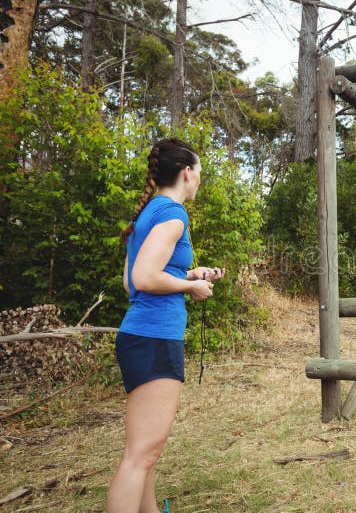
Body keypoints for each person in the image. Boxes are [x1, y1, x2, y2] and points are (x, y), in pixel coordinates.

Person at [108, 138, 226, 513]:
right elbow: (144, 278)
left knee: (146, 452)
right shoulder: (174, 215)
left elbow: (133, 282)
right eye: (200, 174)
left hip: (141, 335)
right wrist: (191, 286)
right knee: (140, 456)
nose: (200, 183)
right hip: (155, 337)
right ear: (186, 173)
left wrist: (188, 274)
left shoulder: (147, 214)